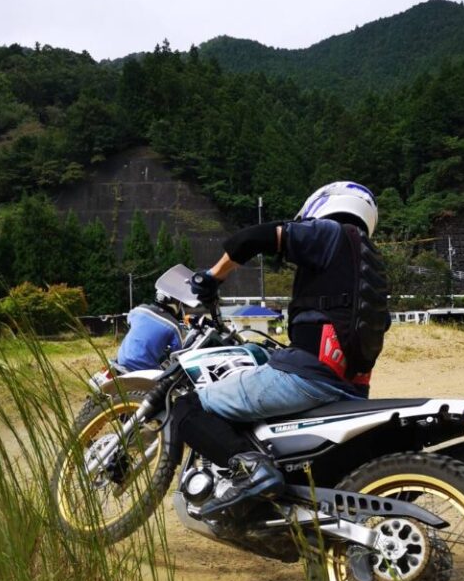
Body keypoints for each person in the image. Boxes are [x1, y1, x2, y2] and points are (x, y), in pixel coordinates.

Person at [173, 181, 390, 517]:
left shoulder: (329, 233)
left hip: (309, 378)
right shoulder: (368, 259)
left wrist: (212, 277)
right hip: (352, 389)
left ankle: (250, 471)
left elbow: (253, 238)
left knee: (189, 406)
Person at [115, 288, 185, 371]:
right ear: (174, 303)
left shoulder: (139, 310)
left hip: (121, 360)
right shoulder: (174, 326)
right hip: (144, 368)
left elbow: (129, 321)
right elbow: (178, 353)